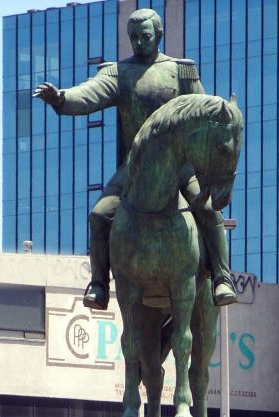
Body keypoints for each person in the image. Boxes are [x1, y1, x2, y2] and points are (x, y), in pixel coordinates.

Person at [34, 8, 237, 311]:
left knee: (208, 211)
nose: (140, 43)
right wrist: (62, 97)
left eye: (145, 37)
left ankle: (222, 277)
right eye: (134, 38)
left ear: (158, 35)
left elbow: (203, 112)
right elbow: (90, 94)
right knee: (99, 216)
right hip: (134, 168)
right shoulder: (119, 73)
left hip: (180, 167)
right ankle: (99, 283)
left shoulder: (181, 71)